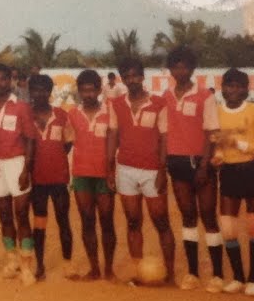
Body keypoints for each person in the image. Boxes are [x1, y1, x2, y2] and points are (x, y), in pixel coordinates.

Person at [161, 47, 225, 292]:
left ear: (192, 68)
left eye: (185, 66)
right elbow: (164, 131)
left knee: (208, 216)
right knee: (188, 216)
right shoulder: (166, 96)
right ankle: (192, 273)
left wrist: (204, 165)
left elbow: (212, 132)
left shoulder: (204, 96)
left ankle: (217, 275)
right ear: (170, 69)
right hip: (177, 162)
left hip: (200, 162)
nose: (180, 71)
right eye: (176, 66)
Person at [106, 57, 175, 287]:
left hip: (152, 170)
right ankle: (137, 272)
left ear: (143, 77)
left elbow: (165, 137)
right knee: (133, 222)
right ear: (122, 79)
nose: (132, 80)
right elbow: (113, 135)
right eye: (127, 76)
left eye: (136, 75)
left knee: (161, 221)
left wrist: (162, 169)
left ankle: (170, 275)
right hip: (126, 169)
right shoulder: (116, 104)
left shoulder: (158, 103)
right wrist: (110, 168)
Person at [213, 68, 254, 296]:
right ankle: (237, 277)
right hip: (229, 172)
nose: (233, 90)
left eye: (239, 86)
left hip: (252, 170)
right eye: (229, 85)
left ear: (246, 90)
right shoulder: (217, 113)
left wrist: (237, 142)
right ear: (222, 88)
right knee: (227, 228)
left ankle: (253, 279)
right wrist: (218, 156)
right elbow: (217, 143)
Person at [0, 63, 38, 286]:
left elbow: (30, 139)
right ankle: (12, 262)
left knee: (22, 214)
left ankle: (26, 267)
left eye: (4, 79)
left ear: (11, 81)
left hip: (17, 163)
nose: (0, 83)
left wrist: (26, 169)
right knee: (4, 215)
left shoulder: (21, 106)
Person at [66, 70, 117, 281]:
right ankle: (94, 268)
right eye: (84, 90)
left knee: (106, 220)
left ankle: (109, 269)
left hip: (104, 174)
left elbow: (116, 141)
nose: (88, 94)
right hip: (81, 174)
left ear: (99, 90)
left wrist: (111, 171)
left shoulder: (110, 111)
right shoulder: (72, 114)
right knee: (87, 220)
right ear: (79, 91)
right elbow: (66, 143)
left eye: (92, 90)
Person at [27, 74, 73, 280]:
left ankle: (67, 264)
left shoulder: (62, 115)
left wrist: (54, 158)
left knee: (63, 220)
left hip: (59, 178)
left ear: (50, 92)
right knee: (39, 223)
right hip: (37, 179)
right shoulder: (26, 116)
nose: (40, 94)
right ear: (31, 92)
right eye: (35, 90)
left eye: (44, 90)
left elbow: (68, 143)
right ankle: (40, 265)